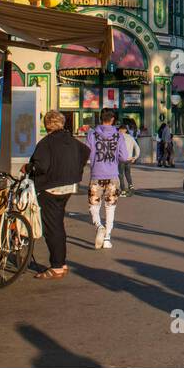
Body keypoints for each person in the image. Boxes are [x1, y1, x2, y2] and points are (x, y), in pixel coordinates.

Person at [28, 109, 90, 280]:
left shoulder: (46, 143)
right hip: (69, 186)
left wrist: (27, 168)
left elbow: (40, 166)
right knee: (58, 223)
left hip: (50, 187)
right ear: (62, 123)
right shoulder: (71, 140)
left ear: (47, 124)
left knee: (52, 227)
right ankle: (61, 263)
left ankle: (56, 266)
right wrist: (76, 169)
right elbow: (86, 151)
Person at [85, 109, 129, 249]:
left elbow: (87, 153)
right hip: (113, 175)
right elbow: (123, 156)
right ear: (112, 120)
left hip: (96, 175)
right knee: (110, 208)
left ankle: (99, 226)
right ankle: (107, 238)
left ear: (100, 118)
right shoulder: (119, 136)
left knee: (94, 206)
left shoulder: (92, 134)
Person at [118, 117, 140, 196]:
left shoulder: (118, 137)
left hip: (121, 159)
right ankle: (130, 186)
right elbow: (137, 147)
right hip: (129, 159)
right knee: (128, 173)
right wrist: (135, 157)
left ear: (121, 130)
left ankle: (123, 190)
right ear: (126, 130)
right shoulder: (131, 137)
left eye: (119, 130)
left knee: (120, 174)